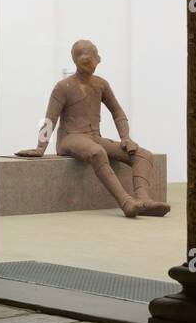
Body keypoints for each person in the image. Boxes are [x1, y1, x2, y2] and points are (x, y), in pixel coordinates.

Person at [15, 39, 170, 218]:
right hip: (70, 138)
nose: (90, 64)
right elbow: (50, 119)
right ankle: (126, 202)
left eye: (92, 59)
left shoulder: (100, 84)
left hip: (93, 137)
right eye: (84, 61)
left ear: (98, 59)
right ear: (76, 61)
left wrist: (126, 137)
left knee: (144, 155)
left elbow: (118, 112)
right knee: (97, 153)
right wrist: (40, 147)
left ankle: (144, 200)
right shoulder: (63, 86)